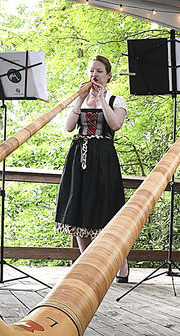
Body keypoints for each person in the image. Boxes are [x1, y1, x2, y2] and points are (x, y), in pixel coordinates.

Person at [55, 55, 129, 283]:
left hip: (104, 158)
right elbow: (68, 127)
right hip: (79, 157)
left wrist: (102, 100)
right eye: (91, 71)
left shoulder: (117, 100)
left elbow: (115, 124)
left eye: (98, 71)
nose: (93, 75)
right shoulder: (82, 100)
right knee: (79, 207)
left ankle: (121, 265)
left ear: (108, 75)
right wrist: (79, 101)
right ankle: (87, 263)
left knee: (107, 208)